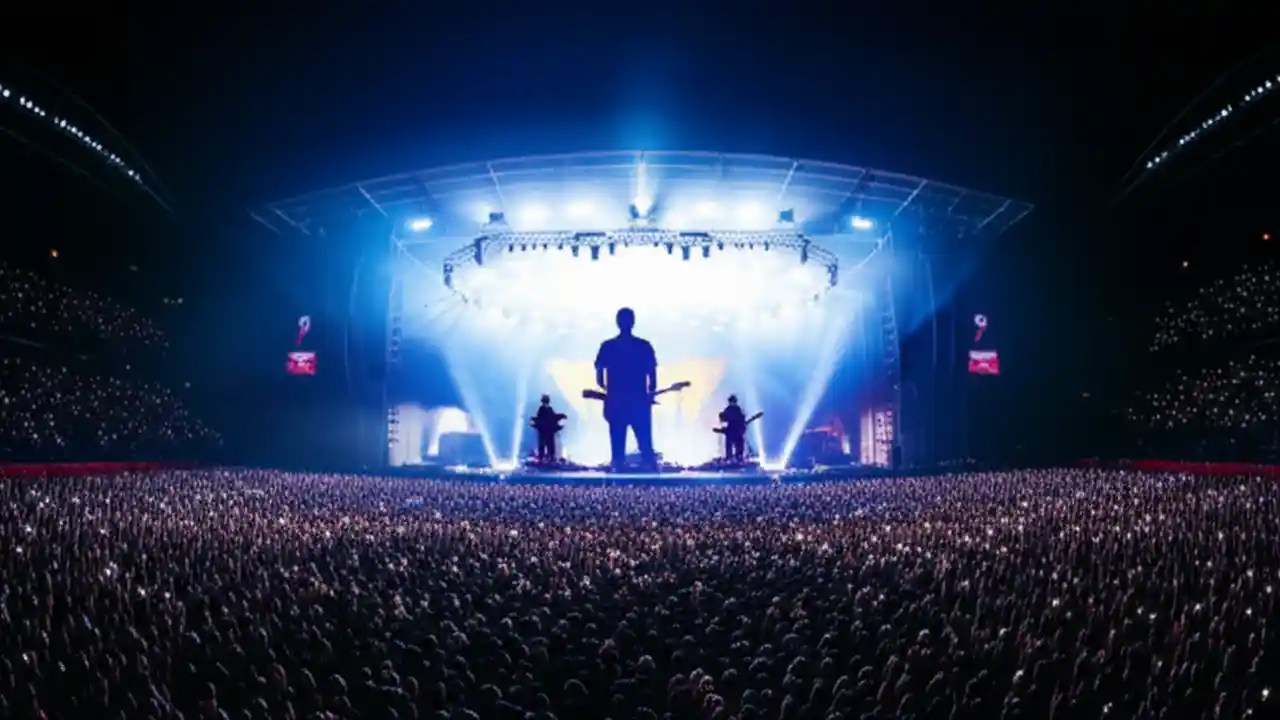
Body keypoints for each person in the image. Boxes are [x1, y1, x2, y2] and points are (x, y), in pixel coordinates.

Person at [594, 307, 658, 471]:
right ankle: (648, 471)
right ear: (633, 322)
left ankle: (619, 469)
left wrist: (608, 390)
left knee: (619, 440)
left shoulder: (608, 346)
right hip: (637, 399)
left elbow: (599, 376)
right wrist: (649, 392)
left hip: (618, 400)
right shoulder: (643, 346)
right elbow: (652, 374)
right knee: (643, 440)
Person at [530, 394, 566, 463]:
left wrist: (561, 417)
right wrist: (561, 417)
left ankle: (547, 458)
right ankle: (544, 458)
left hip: (547, 432)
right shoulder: (544, 409)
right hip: (546, 432)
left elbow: (552, 418)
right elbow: (550, 418)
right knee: (546, 446)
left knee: (548, 447)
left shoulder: (547, 409)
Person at [718, 395, 748, 463]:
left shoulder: (730, 409)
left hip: (732, 432)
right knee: (739, 446)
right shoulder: (739, 410)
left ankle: (731, 458)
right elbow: (742, 420)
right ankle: (738, 458)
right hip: (738, 432)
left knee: (730, 446)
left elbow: (724, 418)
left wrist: (721, 416)